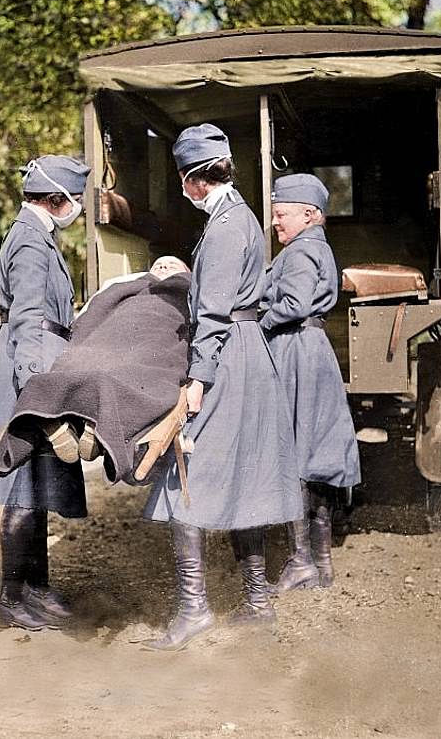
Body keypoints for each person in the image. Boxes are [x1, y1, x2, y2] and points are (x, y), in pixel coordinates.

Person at [142, 123, 302, 651]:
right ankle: (256, 602)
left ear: (191, 179)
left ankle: (195, 610)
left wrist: (197, 379)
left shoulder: (227, 226)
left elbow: (212, 313)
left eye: (181, 178)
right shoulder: (239, 217)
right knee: (243, 478)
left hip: (228, 357)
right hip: (247, 351)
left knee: (182, 475)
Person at [0, 154, 90, 632]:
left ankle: (37, 588)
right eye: (75, 199)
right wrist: (31, 386)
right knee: (21, 485)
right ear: (56, 198)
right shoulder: (28, 240)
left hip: (40, 362)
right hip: (26, 367)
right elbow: (26, 318)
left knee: (40, 483)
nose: (77, 207)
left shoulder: (39, 235)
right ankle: (10, 597)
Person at [0, 256, 193, 485]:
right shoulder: (127, 287)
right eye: (158, 264)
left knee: (129, 370)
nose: (163, 266)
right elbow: (97, 309)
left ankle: (64, 421)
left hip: (153, 336)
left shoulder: (189, 290)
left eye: (173, 265)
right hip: (113, 339)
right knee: (92, 366)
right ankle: (95, 429)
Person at [260, 173, 361, 592]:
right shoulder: (317, 246)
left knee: (293, 455)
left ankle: (301, 561)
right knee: (314, 455)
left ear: (309, 214)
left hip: (293, 350)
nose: (275, 222)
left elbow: (294, 303)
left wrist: (259, 324)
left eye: (281, 214)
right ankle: (321, 563)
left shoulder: (300, 251)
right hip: (312, 348)